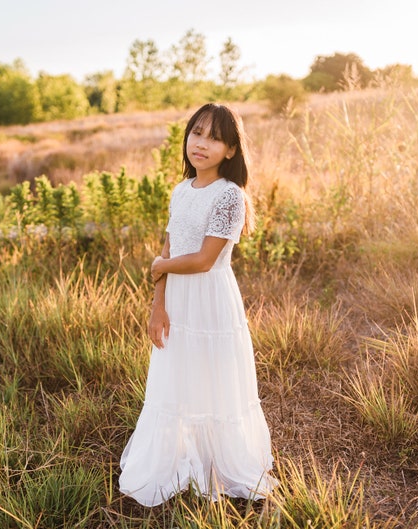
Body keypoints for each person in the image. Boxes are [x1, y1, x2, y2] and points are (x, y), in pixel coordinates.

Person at [118, 103, 278, 507]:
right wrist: (159, 304)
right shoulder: (180, 191)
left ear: (230, 150)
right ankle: (178, 457)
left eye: (214, 137)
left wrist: (158, 265)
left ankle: (218, 462)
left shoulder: (230, 196)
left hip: (210, 298)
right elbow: (171, 247)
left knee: (212, 377)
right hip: (177, 299)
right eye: (196, 133)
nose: (201, 144)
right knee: (177, 377)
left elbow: (204, 259)